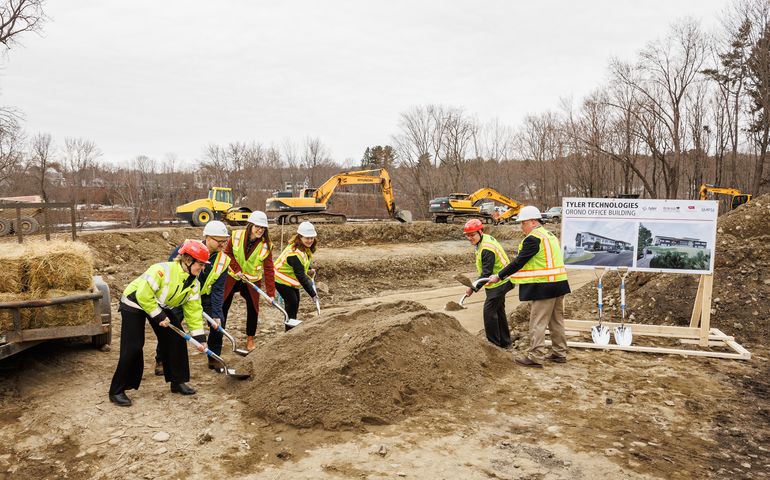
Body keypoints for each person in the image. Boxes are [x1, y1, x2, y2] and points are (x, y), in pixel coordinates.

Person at [108, 240, 210, 407]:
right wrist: (159, 316)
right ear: (187, 259)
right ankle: (117, 390)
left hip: (159, 304)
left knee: (176, 339)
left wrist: (199, 338)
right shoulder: (162, 270)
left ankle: (178, 382)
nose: (202, 268)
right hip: (135, 301)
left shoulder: (194, 283)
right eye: (200, 263)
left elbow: (193, 311)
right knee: (133, 346)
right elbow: (143, 295)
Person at [487, 206, 570, 368]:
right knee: (556, 321)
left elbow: (519, 262)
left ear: (533, 222)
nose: (521, 227)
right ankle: (560, 353)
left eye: (523, 223)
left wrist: (499, 276)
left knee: (537, 322)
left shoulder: (533, 238)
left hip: (543, 287)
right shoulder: (550, 235)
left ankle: (536, 356)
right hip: (559, 284)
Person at [154, 221, 231, 375]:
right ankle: (161, 360)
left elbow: (218, 290)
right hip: (179, 294)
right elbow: (171, 272)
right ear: (208, 238)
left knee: (218, 323)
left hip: (204, 297)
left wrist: (216, 313)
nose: (223, 244)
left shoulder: (224, 261)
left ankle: (214, 357)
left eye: (225, 241)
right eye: (219, 241)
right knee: (170, 325)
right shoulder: (187, 249)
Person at [223, 210, 276, 351]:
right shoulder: (236, 236)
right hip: (233, 277)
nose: (260, 230)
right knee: (223, 305)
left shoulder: (266, 245)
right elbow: (227, 253)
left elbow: (269, 270)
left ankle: (250, 339)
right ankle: (219, 334)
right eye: (257, 226)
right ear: (250, 225)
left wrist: (271, 293)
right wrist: (236, 269)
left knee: (253, 309)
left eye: (263, 227)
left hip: (252, 280)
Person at [462, 218, 514, 349]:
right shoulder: (483, 241)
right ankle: (506, 343)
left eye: (472, 234)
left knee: (489, 312)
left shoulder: (486, 248)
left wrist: (472, 288)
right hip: (501, 281)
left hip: (500, 282)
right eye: (468, 235)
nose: (470, 238)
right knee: (499, 311)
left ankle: (494, 347)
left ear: (480, 232)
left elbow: (486, 273)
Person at [274, 221, 319, 330]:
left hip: (289, 280)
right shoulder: (294, 253)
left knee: (295, 301)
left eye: (312, 238)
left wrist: (308, 269)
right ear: (300, 237)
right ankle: (289, 331)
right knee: (292, 302)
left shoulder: (302, 247)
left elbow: (302, 263)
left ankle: (291, 327)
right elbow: (301, 276)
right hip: (280, 279)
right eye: (307, 238)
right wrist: (313, 294)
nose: (310, 240)